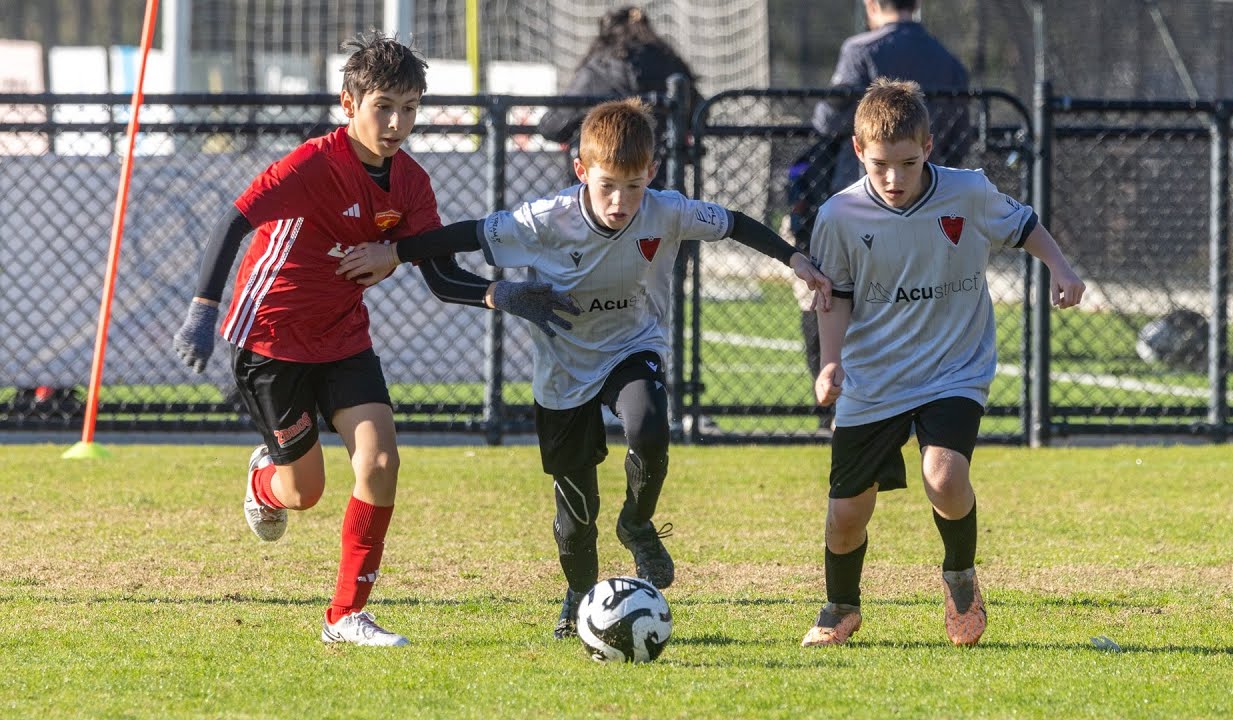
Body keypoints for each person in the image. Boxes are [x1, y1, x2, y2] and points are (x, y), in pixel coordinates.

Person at [335, 97, 833, 640]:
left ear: (652, 175)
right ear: (581, 172)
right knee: (576, 515)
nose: (621, 202)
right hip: (562, 368)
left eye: (634, 186)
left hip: (630, 348)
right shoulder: (546, 220)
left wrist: (794, 259)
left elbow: (733, 222)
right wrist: (396, 252)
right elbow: (467, 234)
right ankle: (579, 591)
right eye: (607, 185)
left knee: (647, 425)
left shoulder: (665, 210)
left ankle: (638, 525)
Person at [170, 31, 576, 647]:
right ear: (349, 102)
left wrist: (501, 294)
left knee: (381, 461)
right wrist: (203, 309)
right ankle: (264, 481)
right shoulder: (312, 164)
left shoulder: (411, 182)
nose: (396, 122)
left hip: (344, 339)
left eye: (409, 108)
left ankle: (345, 616)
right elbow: (233, 219)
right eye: (383, 105)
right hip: (273, 337)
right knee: (303, 494)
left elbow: (440, 275)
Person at [801, 78, 1085, 648]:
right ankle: (841, 606)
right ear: (859, 151)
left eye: (908, 163)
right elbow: (836, 296)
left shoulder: (968, 193)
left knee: (945, 476)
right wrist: (831, 364)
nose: (894, 178)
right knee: (847, 514)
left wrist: (1062, 268)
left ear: (929, 147)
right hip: (874, 377)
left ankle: (960, 578)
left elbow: (1024, 225)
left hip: (955, 367)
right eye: (881, 164)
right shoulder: (839, 216)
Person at [793, 0, 972, 429]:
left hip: (863, 211)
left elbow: (826, 119)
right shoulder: (948, 61)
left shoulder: (860, 51)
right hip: (931, 210)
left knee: (831, 293)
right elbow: (962, 137)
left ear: (872, 4)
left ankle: (837, 408)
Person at [536, 5, 699, 189]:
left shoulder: (599, 69)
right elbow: (698, 117)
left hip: (603, 192)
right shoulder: (672, 64)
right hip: (664, 184)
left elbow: (552, 126)